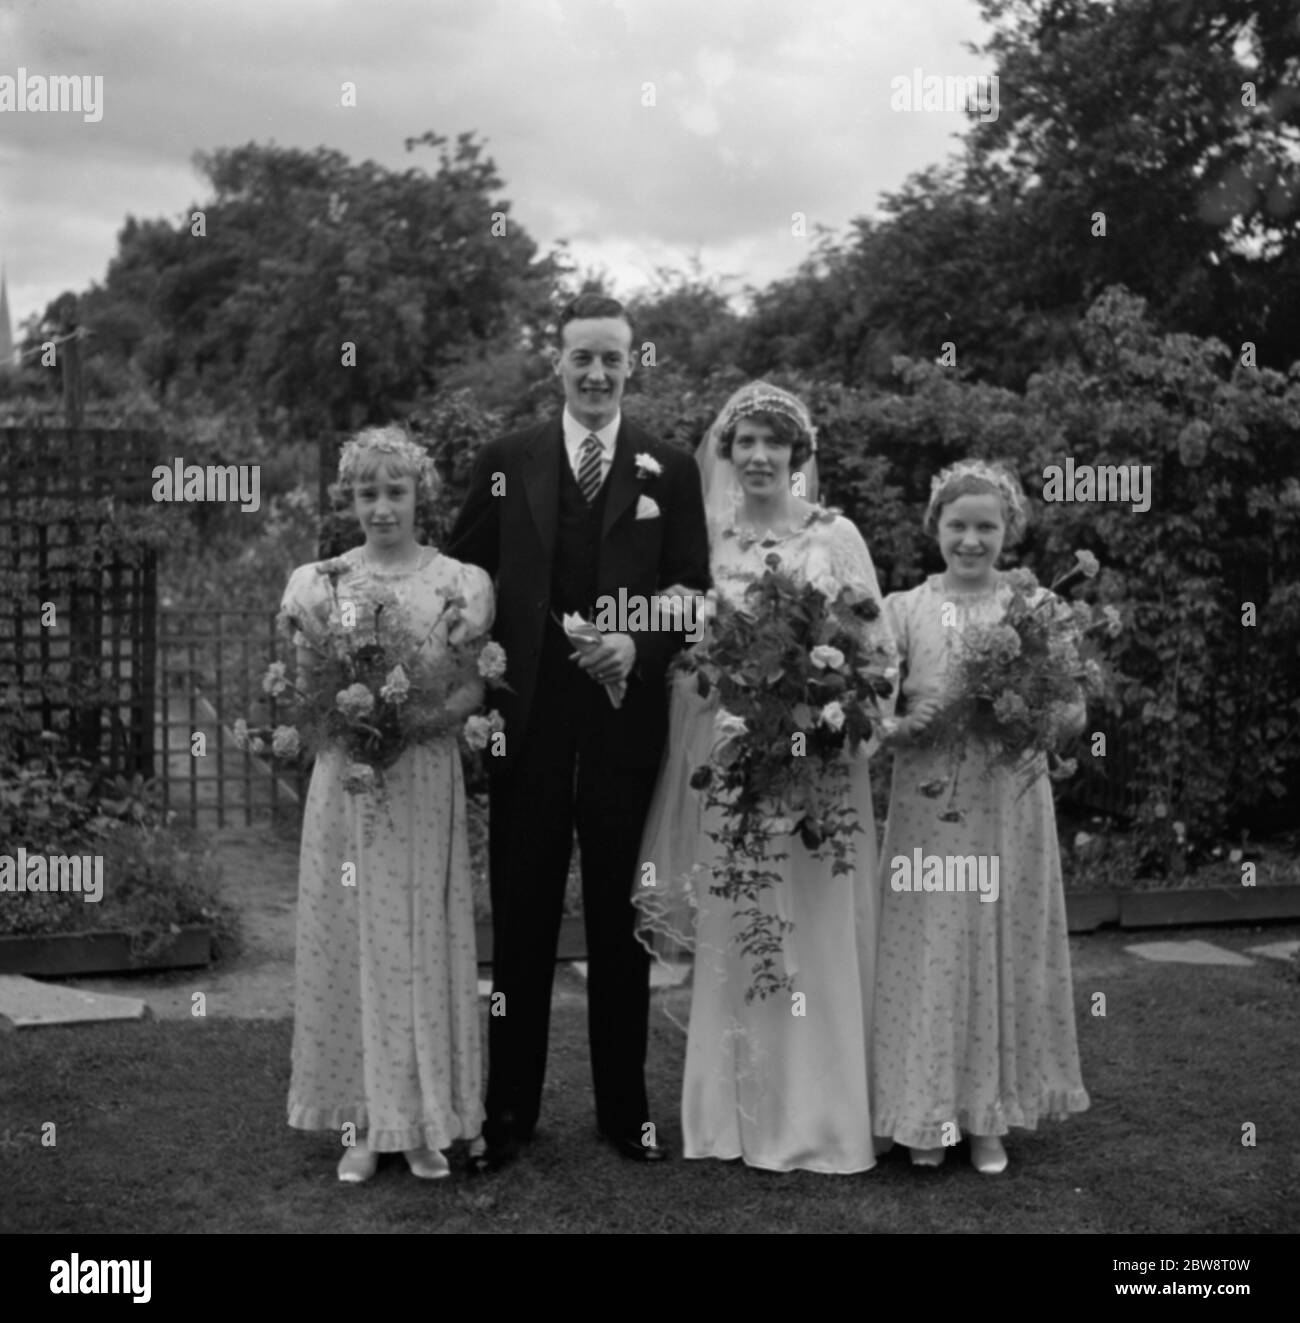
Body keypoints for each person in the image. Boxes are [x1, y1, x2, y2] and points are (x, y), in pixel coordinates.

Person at [447, 293, 710, 1170]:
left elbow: (692, 590)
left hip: (624, 722)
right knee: (519, 918)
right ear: (555, 364)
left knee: (617, 918)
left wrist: (637, 637)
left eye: (612, 359)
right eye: (581, 359)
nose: (596, 373)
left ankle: (624, 1110)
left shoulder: (667, 469)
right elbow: (464, 580)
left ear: (634, 364)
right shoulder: (505, 460)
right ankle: (509, 1111)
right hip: (525, 722)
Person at [634, 382, 897, 1174]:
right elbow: (686, 662)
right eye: (743, 441)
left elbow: (877, 650)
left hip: (815, 770)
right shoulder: (705, 544)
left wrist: (829, 714)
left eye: (772, 443)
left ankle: (824, 1118)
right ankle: (729, 1122)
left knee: (813, 929)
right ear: (727, 451)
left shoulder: (834, 535)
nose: (756, 455)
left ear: (797, 454)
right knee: (739, 923)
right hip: (732, 763)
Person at [281, 427, 492, 1183]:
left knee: (421, 943)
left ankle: (427, 1119)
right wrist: (350, 720)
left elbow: (472, 687)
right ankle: (364, 1122)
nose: (380, 506)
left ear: (418, 495)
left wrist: (416, 722)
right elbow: (306, 689)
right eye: (367, 491)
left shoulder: (458, 583)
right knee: (354, 945)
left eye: (394, 490)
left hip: (425, 776)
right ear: (352, 498)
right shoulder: (322, 583)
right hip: (351, 786)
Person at [871, 458, 1090, 1174]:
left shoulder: (1038, 611)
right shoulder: (902, 608)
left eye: (986, 526)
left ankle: (989, 1115)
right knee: (927, 947)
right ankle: (922, 1116)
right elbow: (874, 703)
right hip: (928, 807)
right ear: (935, 526)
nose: (971, 539)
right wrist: (904, 723)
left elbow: (1072, 711)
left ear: (1009, 530)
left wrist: (1027, 713)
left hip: (1006, 807)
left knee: (997, 943)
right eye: (958, 524)